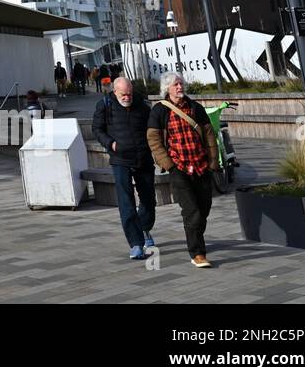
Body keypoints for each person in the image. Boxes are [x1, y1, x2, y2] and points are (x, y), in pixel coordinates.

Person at [147, 73, 219, 269]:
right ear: (167, 89)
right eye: (175, 85)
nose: (179, 87)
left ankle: (196, 237)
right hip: (178, 168)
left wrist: (213, 162)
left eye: (180, 83)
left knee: (203, 209)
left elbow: (210, 135)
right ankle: (197, 253)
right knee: (192, 211)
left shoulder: (195, 108)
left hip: (201, 165)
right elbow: (154, 140)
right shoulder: (160, 111)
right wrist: (168, 164)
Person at [93, 77, 157, 260]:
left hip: (143, 158)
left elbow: (152, 130)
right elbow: (97, 129)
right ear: (115, 92)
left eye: (129, 93)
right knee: (126, 202)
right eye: (123, 94)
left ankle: (144, 227)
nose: (127, 97)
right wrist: (110, 144)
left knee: (149, 201)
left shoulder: (143, 106)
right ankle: (136, 243)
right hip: (120, 159)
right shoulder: (105, 105)